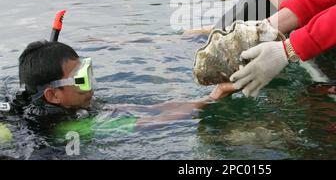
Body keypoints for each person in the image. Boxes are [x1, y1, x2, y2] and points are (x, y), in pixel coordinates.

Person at [5, 40, 236, 136]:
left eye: (88, 73)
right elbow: (150, 123)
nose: (90, 87)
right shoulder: (68, 128)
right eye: (81, 79)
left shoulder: (72, 101)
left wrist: (206, 96)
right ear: (53, 95)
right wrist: (214, 97)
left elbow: (152, 109)